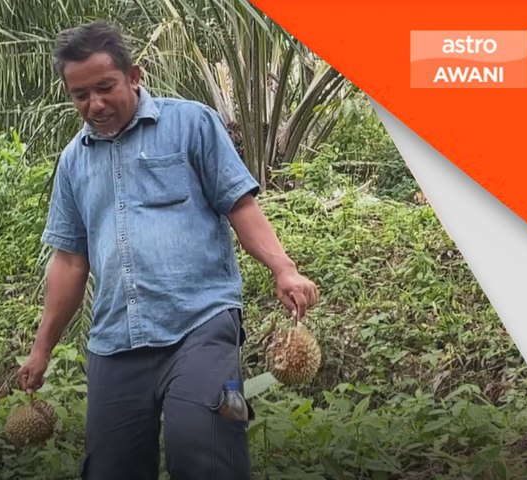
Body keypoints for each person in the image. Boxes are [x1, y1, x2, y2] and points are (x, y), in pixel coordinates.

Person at [18, 19, 319, 480]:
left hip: (199, 323)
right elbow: (70, 262)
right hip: (116, 340)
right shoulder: (74, 161)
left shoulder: (190, 123)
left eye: (105, 87)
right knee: (110, 468)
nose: (95, 104)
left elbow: (239, 205)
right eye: (81, 95)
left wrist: (283, 268)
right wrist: (41, 350)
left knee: (205, 449)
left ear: (133, 76)